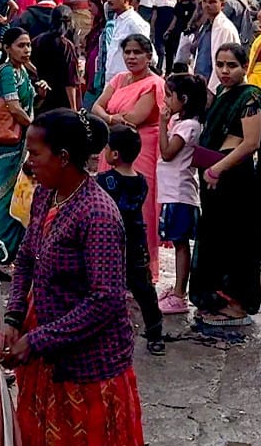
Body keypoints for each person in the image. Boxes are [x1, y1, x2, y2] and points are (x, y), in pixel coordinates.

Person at [2, 111, 145, 446]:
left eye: (35, 154)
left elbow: (106, 300)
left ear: (64, 157)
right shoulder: (45, 196)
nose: (29, 163)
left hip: (88, 366)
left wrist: (38, 340)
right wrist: (14, 317)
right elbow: (27, 257)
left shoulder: (97, 214)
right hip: (47, 352)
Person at [189, 42, 261, 326]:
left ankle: (239, 302)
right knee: (216, 238)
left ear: (245, 67)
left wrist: (217, 169)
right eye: (220, 65)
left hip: (235, 178)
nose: (225, 71)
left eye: (232, 65)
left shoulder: (251, 97)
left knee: (237, 241)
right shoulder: (222, 92)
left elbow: (250, 143)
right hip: (215, 175)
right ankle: (216, 298)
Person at [89, 34, 165, 279]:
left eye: (137, 53)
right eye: (128, 52)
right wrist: (112, 119)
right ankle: (108, 264)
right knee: (107, 204)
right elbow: (96, 108)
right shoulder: (120, 79)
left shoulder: (153, 84)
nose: (131, 57)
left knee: (139, 209)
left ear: (148, 56)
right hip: (111, 146)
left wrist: (110, 117)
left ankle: (140, 269)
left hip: (140, 148)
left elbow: (134, 118)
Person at [96, 124, 165, 354]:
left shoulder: (104, 181)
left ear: (114, 154)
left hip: (110, 243)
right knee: (144, 289)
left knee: (106, 288)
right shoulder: (142, 181)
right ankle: (156, 333)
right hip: (137, 241)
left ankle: (108, 334)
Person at [0, 26, 42, 261]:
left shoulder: (22, 71)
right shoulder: (6, 72)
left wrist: (41, 93)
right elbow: (14, 108)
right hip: (8, 144)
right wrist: (34, 129)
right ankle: (2, 256)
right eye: (21, 45)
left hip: (21, 142)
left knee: (20, 196)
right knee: (6, 198)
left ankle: (14, 252)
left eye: (28, 45)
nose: (26, 50)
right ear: (7, 48)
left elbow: (26, 103)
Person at [155, 73, 207, 317]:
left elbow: (167, 153)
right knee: (178, 242)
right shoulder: (182, 122)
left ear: (183, 99)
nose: (166, 100)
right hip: (173, 191)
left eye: (169, 95)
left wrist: (162, 125)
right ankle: (177, 290)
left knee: (180, 244)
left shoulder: (188, 126)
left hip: (180, 193)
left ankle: (179, 294)